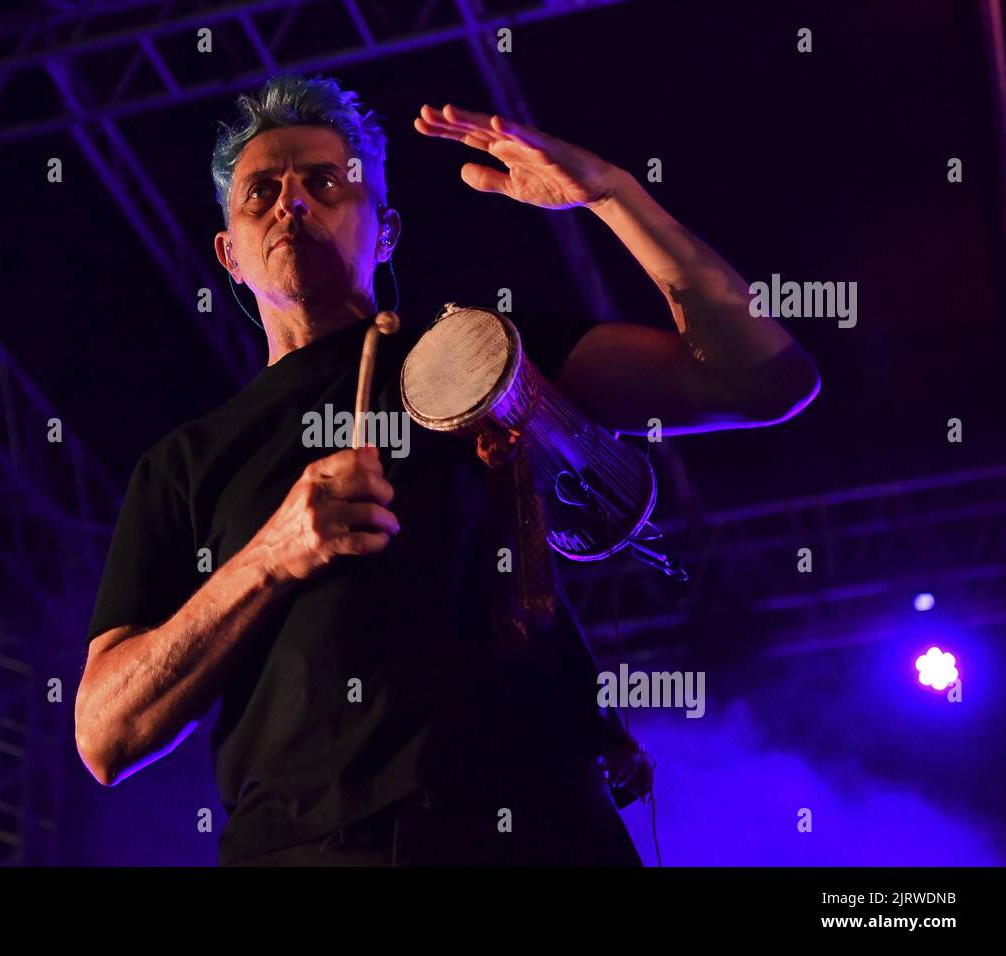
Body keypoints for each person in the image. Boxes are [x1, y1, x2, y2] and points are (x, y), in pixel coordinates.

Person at [73, 73, 819, 866]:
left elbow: (762, 380)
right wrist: (270, 555)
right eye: (262, 192)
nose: (292, 203)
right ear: (229, 253)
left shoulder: (479, 356)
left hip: (534, 833)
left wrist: (613, 196)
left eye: (327, 183)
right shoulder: (183, 465)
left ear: (387, 231)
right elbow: (104, 733)